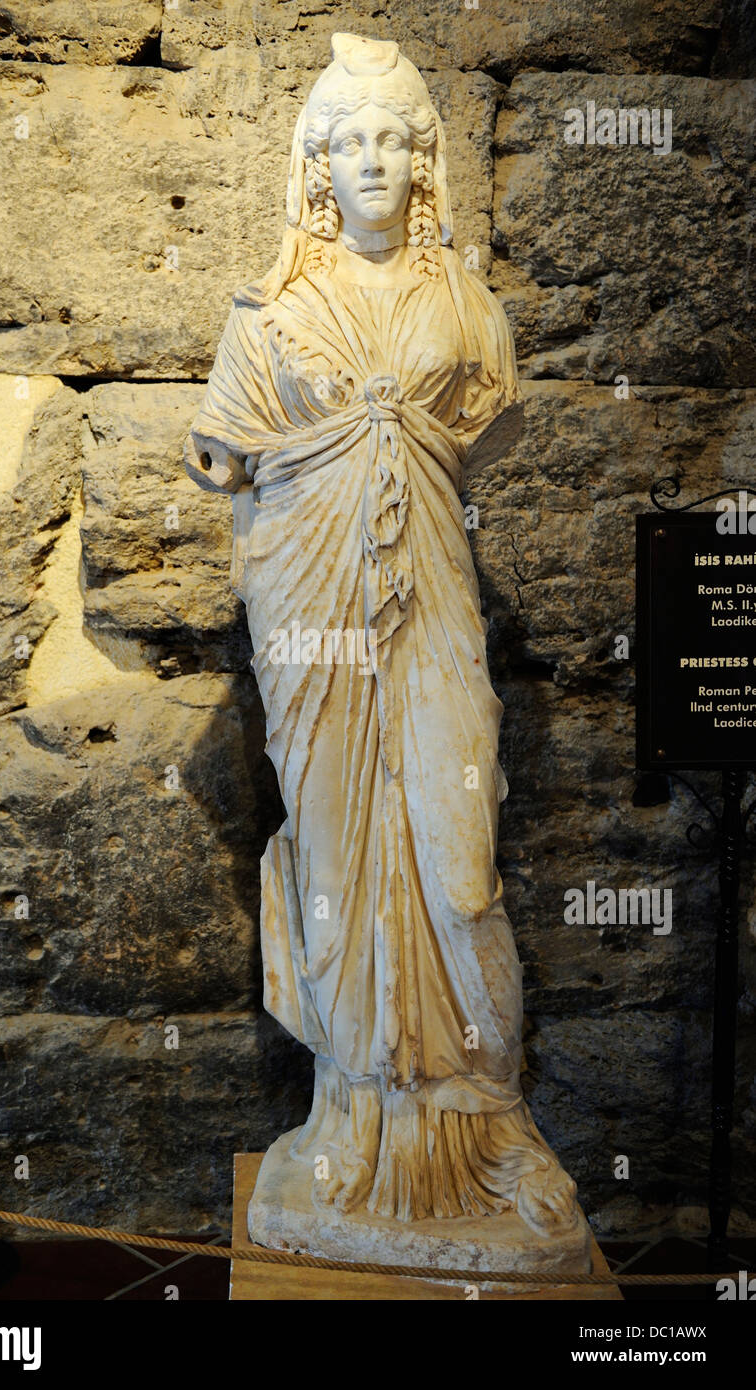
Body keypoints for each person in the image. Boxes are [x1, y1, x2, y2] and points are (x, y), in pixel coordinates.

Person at [186, 32, 582, 1237]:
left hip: (433, 624)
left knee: (460, 864)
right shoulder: (265, 321)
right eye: (346, 142)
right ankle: (356, 1111)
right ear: (316, 167)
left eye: (391, 141)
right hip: (312, 640)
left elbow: (485, 421)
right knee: (337, 858)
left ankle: (489, 1121)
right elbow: (237, 471)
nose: (371, 162)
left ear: (423, 162)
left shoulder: (468, 312)